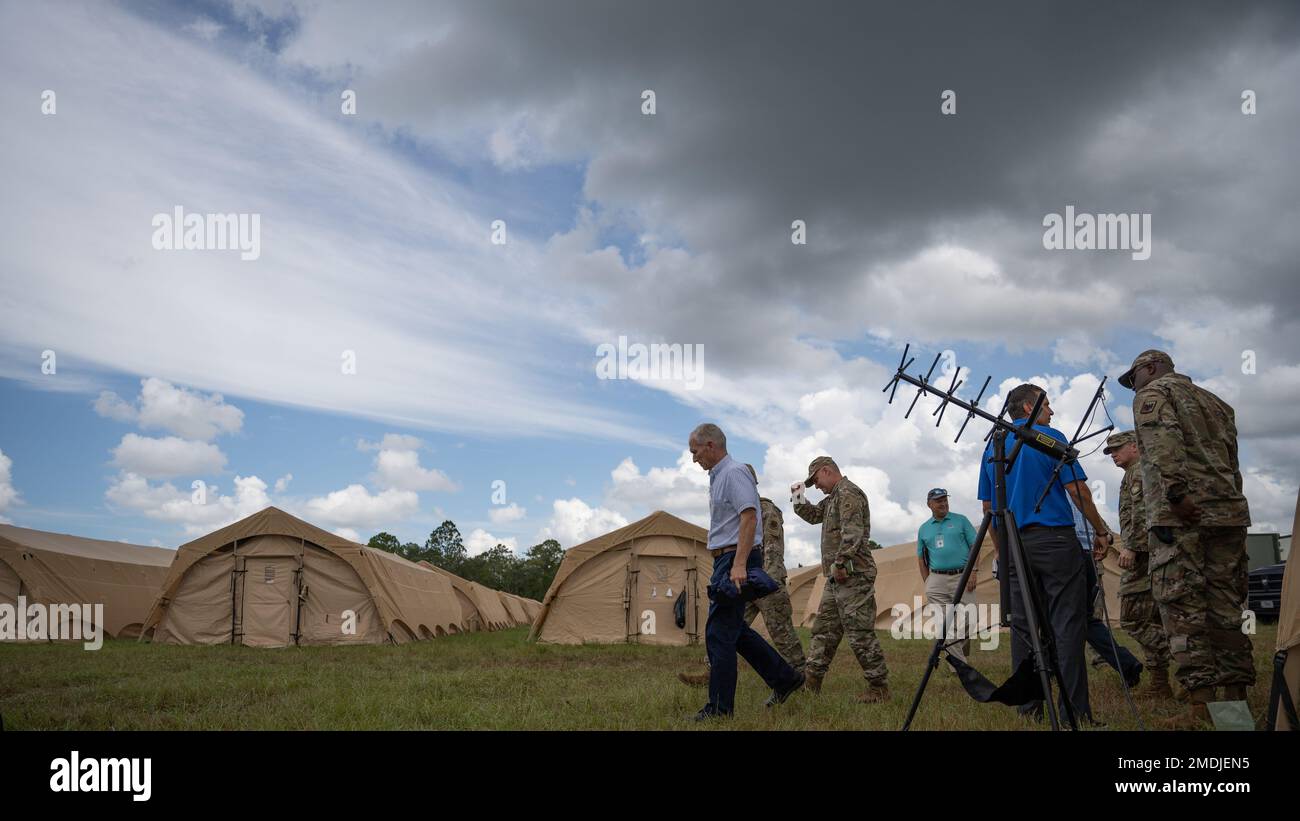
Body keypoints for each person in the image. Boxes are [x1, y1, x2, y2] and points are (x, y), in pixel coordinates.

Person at [1121, 349, 1254, 727]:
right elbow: (1232, 461)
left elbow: (1163, 445)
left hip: (1182, 518)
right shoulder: (1218, 404)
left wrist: (1176, 496)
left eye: (1134, 377)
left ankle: (1202, 708)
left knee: (1183, 608)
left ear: (1151, 368)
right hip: (1227, 513)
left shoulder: (1154, 394)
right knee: (1227, 608)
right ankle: (1235, 710)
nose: (1134, 386)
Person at [977, 383, 1110, 724]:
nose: (1052, 412)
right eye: (1047, 405)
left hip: (1015, 543)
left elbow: (990, 507)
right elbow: (1077, 490)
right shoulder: (1050, 438)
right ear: (1029, 408)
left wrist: (1004, 548)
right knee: (1067, 624)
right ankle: (1073, 713)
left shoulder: (994, 444)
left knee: (1024, 627)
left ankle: (1029, 708)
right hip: (1054, 540)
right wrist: (1100, 529)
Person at [688, 423, 803, 720]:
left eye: (695, 451)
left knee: (717, 634)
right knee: (734, 630)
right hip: (726, 559)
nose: (693, 458)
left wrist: (738, 565)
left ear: (711, 445)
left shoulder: (734, 472)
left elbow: (749, 517)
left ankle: (719, 710)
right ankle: (784, 678)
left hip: (734, 560)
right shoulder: (718, 477)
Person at [677, 464, 807, 688]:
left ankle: (801, 678)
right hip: (744, 581)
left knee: (783, 636)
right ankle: (712, 674)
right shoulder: (739, 510)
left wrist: (767, 583)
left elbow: (772, 550)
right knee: (726, 628)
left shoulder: (765, 510)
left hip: (765, 583)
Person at [792, 456, 890, 703]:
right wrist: (798, 497)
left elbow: (853, 533)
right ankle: (811, 684)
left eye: (816, 480)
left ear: (827, 471)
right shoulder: (834, 497)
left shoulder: (848, 493)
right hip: (837, 577)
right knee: (824, 630)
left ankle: (879, 687)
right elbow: (814, 515)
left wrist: (841, 562)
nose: (817, 486)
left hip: (852, 574)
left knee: (859, 632)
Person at [1105, 429, 1175, 700]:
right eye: (1110, 451)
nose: (1113, 455)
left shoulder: (1141, 471)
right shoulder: (1131, 474)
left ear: (1134, 446)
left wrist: (1131, 547)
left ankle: (1183, 651)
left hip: (1145, 555)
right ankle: (1160, 682)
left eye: (1118, 448)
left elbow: (1143, 512)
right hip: (1150, 554)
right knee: (1152, 617)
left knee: (1133, 619)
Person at [1068, 493, 1143, 686]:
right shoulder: (1077, 498)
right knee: (1086, 622)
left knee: (1069, 619)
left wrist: (1102, 538)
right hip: (1081, 563)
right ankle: (1126, 664)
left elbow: (1106, 533)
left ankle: (1052, 671)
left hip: (1075, 563)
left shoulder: (1076, 500)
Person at [916, 488, 978, 664]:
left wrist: (973, 570)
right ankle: (959, 666)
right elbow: (921, 558)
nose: (943, 503)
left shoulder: (961, 521)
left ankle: (957, 653)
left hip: (963, 575)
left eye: (945, 500)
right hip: (937, 579)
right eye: (938, 501)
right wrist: (928, 581)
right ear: (929, 504)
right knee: (945, 625)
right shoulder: (924, 529)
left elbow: (975, 545)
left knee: (969, 619)